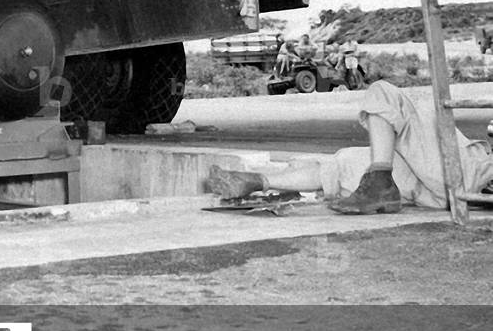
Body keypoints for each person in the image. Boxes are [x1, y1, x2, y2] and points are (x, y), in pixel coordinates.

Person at [207, 80, 493, 214]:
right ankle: (257, 181)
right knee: (345, 164)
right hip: (439, 194)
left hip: (470, 171)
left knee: (384, 93)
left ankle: (380, 178)